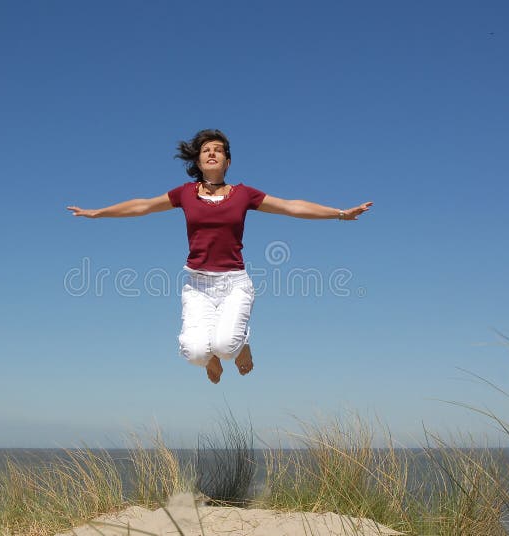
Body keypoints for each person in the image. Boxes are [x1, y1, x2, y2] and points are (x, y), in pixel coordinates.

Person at [67, 129, 372, 384]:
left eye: (218, 150)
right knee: (197, 353)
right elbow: (143, 205)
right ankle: (213, 357)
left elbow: (291, 206)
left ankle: (241, 346)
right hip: (197, 285)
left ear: (227, 161)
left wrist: (340, 213)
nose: (211, 153)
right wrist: (99, 213)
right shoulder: (185, 193)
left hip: (234, 283)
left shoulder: (243, 194)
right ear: (198, 161)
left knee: (227, 345)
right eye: (205, 150)